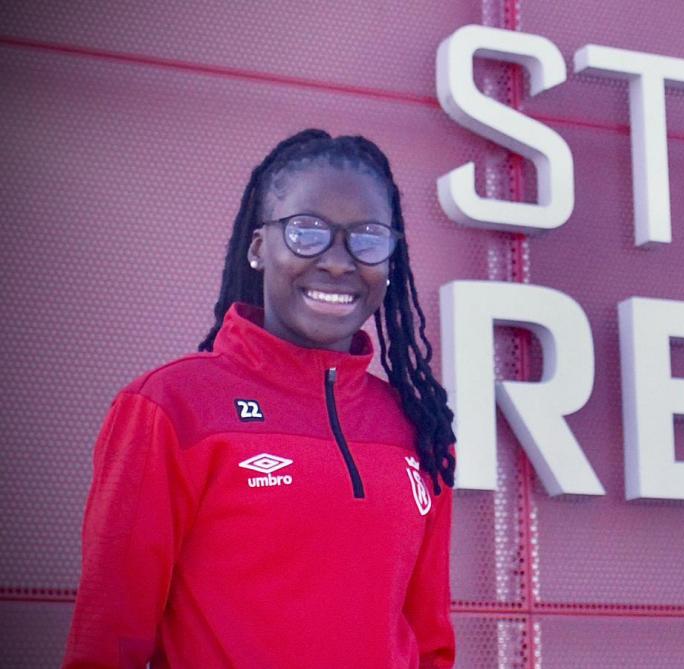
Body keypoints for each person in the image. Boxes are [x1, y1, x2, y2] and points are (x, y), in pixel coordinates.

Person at [63, 129, 457, 668]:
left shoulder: (419, 430)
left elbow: (431, 643)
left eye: (366, 238)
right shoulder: (170, 407)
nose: (339, 262)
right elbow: (109, 642)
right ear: (258, 247)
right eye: (307, 232)